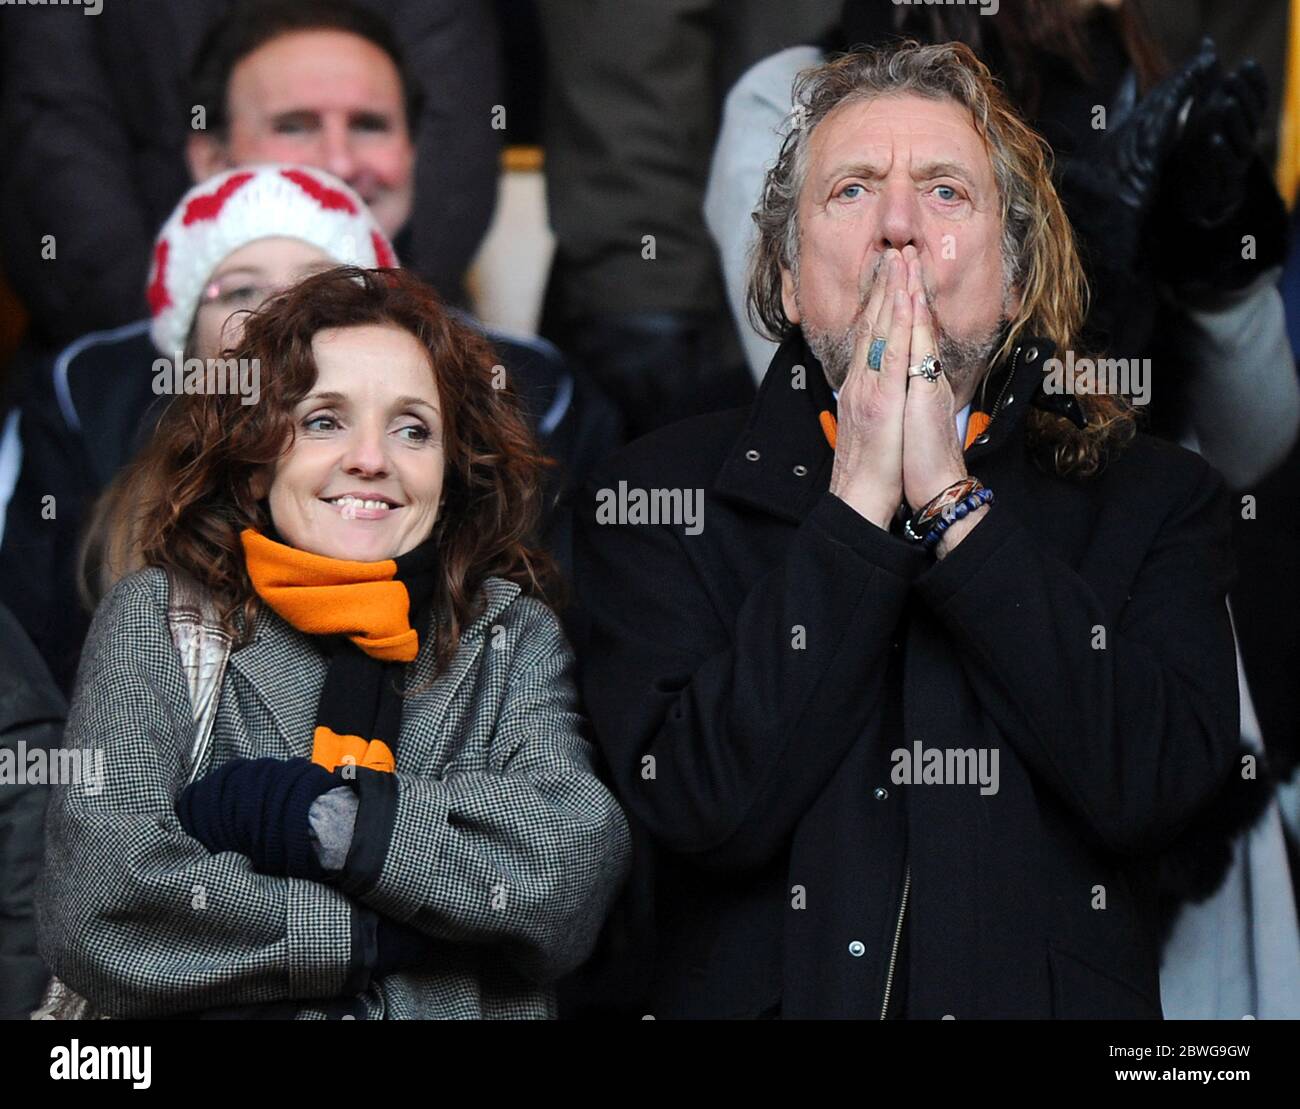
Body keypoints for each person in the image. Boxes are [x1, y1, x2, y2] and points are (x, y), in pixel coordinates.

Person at [574, 42, 1241, 1019]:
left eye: (944, 192)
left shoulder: (1154, 498)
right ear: (790, 282)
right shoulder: (658, 493)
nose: (896, 225)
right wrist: (853, 511)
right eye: (850, 190)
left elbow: (1159, 792)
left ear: (1013, 281)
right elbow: (701, 806)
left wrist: (948, 499)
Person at [36, 264, 630, 1019]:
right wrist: (371, 935)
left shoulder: (509, 634)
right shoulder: (159, 616)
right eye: (325, 420)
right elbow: (101, 900)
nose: (371, 458)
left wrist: (324, 821)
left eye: (413, 428)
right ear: (258, 461)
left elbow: (571, 867)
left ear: (449, 472)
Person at [0, 164, 618, 697]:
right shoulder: (134, 593)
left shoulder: (493, 607)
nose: (277, 312)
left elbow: (573, 823)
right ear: (186, 350)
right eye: (239, 290)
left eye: (318, 285)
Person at [0, 0, 502, 349]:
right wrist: (171, 345)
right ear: (211, 161)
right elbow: (52, 133)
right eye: (293, 127)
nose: (339, 164)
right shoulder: (85, 402)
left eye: (369, 126)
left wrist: (391, 328)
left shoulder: (529, 401)